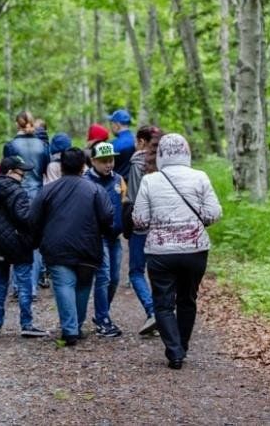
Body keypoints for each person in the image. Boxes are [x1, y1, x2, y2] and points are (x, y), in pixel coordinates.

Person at [132, 133, 222, 369]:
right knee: (187, 299)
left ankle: (174, 352)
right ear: (187, 152)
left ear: (160, 154)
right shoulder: (200, 177)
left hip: (161, 253)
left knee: (162, 303)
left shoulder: (150, 181)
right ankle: (182, 344)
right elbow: (214, 213)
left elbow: (139, 220)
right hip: (195, 250)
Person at [30, 148, 115, 346]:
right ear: (83, 166)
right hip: (89, 247)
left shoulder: (47, 190)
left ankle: (70, 329)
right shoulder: (95, 189)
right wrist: (102, 232)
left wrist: (37, 240)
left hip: (56, 247)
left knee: (63, 285)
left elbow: (33, 218)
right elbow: (107, 216)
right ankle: (75, 324)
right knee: (83, 285)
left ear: (61, 167)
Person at [0, 155, 50, 339]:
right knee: (24, 283)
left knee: (0, 284)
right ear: (10, 172)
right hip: (19, 245)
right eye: (21, 172)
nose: (24, 176)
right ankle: (26, 324)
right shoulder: (18, 193)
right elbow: (24, 218)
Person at [3, 111, 49, 288]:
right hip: (38, 193)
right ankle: (32, 285)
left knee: (17, 237)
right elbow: (44, 169)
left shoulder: (11, 145)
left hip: (17, 194)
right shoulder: (42, 145)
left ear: (17, 124)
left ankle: (18, 285)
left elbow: (6, 169)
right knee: (35, 240)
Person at [86, 141, 128, 338]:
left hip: (114, 236)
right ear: (93, 161)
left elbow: (125, 202)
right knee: (103, 277)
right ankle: (103, 319)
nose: (108, 164)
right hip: (96, 237)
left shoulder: (118, 180)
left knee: (114, 278)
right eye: (103, 161)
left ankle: (102, 313)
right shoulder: (86, 181)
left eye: (110, 160)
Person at [126, 125, 162, 334]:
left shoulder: (136, 163)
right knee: (158, 272)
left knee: (136, 272)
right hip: (162, 227)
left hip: (141, 227)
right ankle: (164, 312)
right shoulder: (165, 164)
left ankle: (152, 311)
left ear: (141, 142)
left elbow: (132, 197)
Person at [107, 109, 135, 179]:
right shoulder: (138, 141)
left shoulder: (113, 145)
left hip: (118, 185)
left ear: (117, 125)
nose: (111, 127)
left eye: (112, 123)